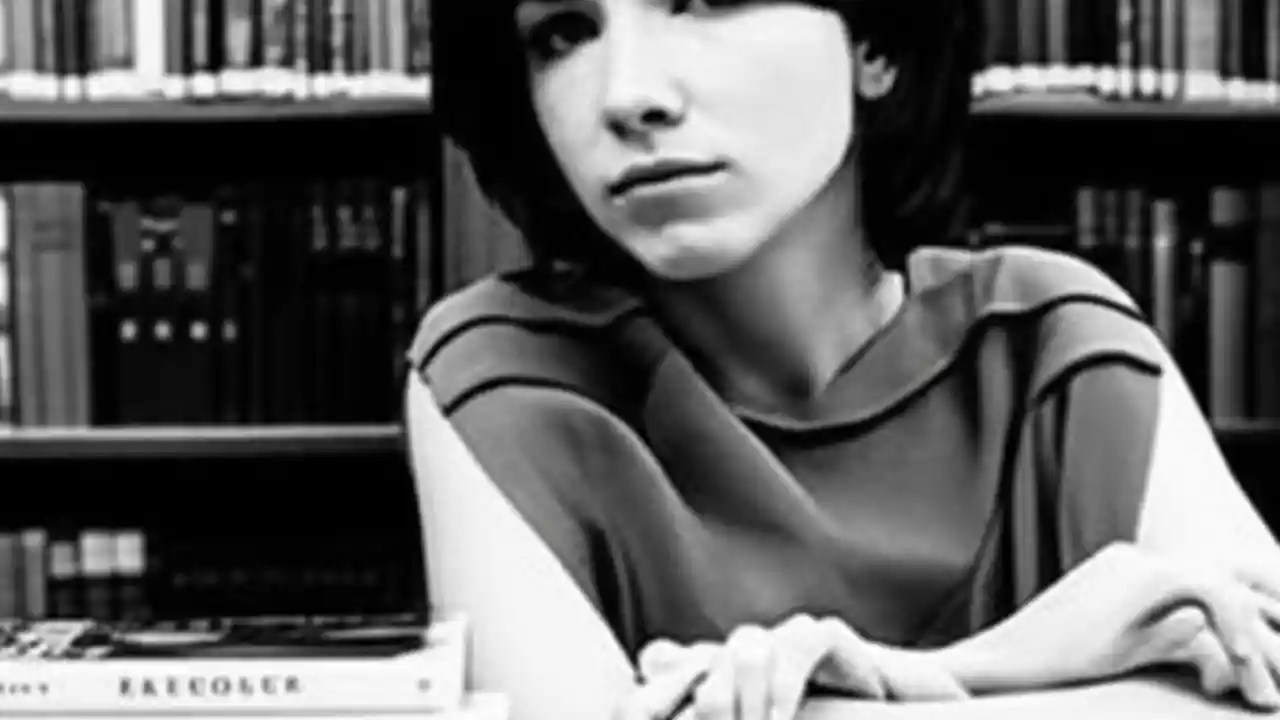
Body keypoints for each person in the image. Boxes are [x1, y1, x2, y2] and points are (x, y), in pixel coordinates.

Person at [406, 1, 1280, 718]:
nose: (626, 94)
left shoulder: (1051, 343)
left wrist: (867, 695)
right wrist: (1016, 663)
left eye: (704, 2)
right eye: (563, 33)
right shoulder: (503, 371)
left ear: (875, 42)